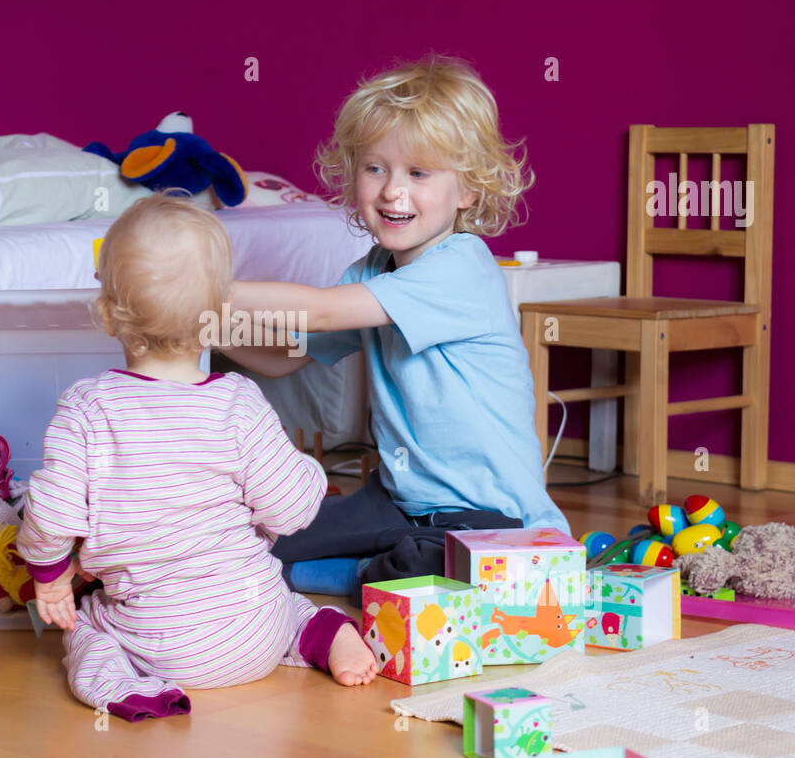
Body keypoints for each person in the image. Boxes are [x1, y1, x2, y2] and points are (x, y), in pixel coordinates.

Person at [18, 193, 377, 723]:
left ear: (108, 317)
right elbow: (291, 511)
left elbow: (49, 512)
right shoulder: (237, 400)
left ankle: (126, 689)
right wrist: (308, 470)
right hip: (255, 629)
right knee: (288, 603)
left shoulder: (87, 406)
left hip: (157, 645)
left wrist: (48, 576)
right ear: (219, 317)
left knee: (86, 625)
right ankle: (327, 635)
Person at [222, 54, 569, 601]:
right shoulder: (369, 272)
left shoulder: (462, 266)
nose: (392, 191)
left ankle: (355, 575)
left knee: (440, 570)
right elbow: (284, 356)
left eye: (419, 173)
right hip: (395, 500)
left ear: (470, 190)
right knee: (252, 540)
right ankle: (346, 567)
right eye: (375, 168)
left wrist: (204, 288)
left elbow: (321, 311)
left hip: (489, 517)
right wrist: (198, 325)